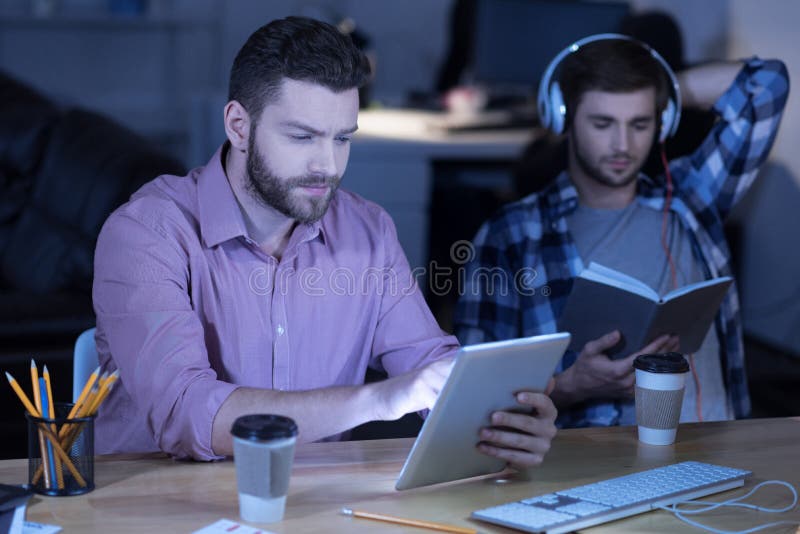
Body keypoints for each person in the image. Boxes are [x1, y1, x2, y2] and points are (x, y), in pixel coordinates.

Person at [92, 16, 558, 463]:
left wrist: (501, 415)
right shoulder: (145, 233)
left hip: (313, 507)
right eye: (302, 137)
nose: (328, 166)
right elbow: (186, 415)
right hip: (157, 507)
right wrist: (381, 398)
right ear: (238, 126)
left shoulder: (367, 230)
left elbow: (427, 366)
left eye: (342, 138)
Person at [454, 35, 789, 428]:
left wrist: (664, 90)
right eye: (603, 123)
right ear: (562, 117)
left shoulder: (690, 198)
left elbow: (767, 84)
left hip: (721, 452)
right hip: (601, 469)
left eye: (640, 123)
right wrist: (572, 385)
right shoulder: (513, 235)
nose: (623, 145)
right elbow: (470, 401)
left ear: (662, 122)